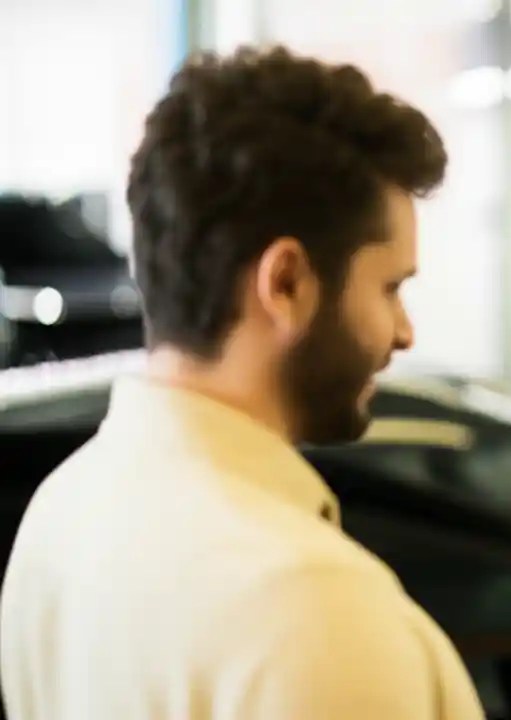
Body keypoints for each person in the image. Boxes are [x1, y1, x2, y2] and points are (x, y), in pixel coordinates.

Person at [0, 47, 484, 719]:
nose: (404, 332)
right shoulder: (313, 607)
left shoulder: (59, 514)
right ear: (285, 282)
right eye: (390, 287)